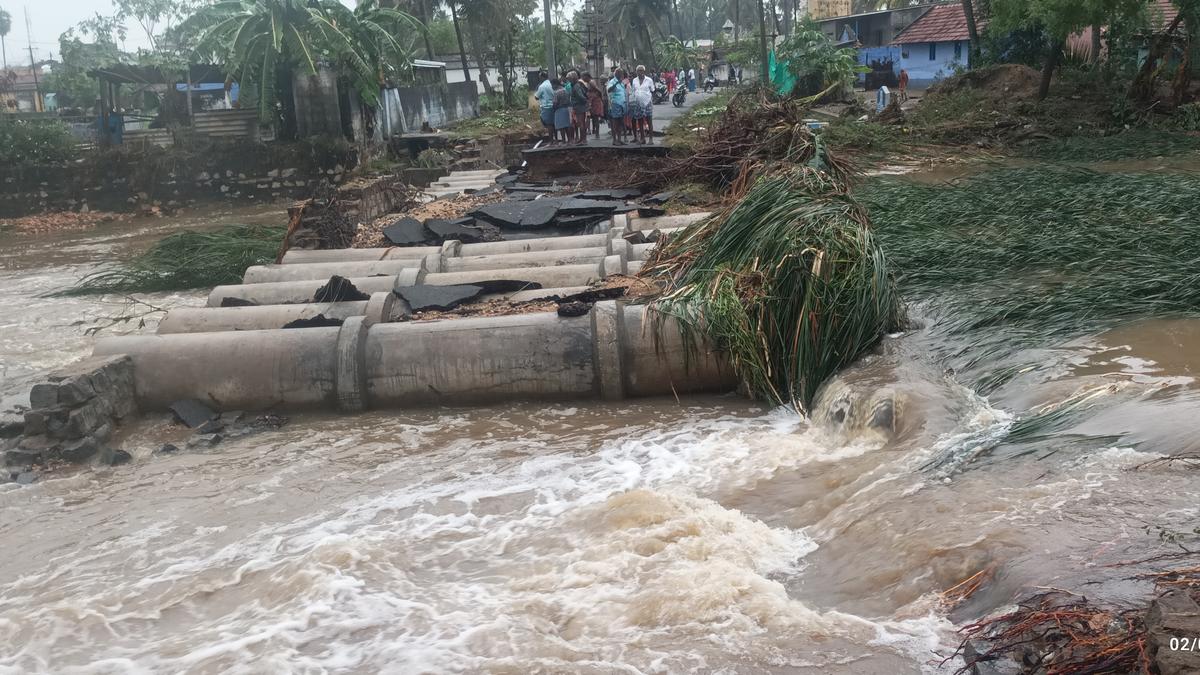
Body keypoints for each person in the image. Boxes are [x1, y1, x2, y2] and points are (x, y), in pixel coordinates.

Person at [630, 65, 655, 145]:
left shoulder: (649, 80)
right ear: (636, 72)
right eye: (638, 71)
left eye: (641, 70)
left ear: (644, 71)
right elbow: (633, 91)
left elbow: (652, 90)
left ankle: (651, 139)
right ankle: (642, 138)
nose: (639, 72)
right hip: (638, 103)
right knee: (640, 121)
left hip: (647, 102)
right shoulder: (634, 80)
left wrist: (650, 99)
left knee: (649, 120)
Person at [606, 68, 627, 146]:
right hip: (615, 104)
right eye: (620, 73)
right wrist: (616, 83)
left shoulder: (622, 82)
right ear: (616, 74)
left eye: (622, 73)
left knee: (621, 122)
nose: (621, 75)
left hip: (622, 104)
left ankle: (619, 139)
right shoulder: (612, 82)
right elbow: (609, 90)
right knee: (615, 123)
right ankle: (614, 140)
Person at [535, 70, 555, 143]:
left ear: (542, 77)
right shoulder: (551, 84)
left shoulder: (542, 86)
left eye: (540, 77)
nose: (539, 79)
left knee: (549, 124)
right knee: (553, 124)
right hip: (554, 105)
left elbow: (536, 97)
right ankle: (555, 139)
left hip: (546, 106)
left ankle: (551, 141)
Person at [569, 70, 589, 144]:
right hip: (580, 106)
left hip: (579, 107)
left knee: (581, 123)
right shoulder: (577, 85)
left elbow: (581, 96)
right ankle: (582, 139)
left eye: (570, 79)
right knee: (582, 123)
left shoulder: (576, 86)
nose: (569, 81)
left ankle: (583, 140)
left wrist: (584, 102)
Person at [551, 79, 571, 145]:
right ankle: (569, 140)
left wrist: (553, 109)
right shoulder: (565, 90)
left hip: (559, 110)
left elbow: (555, 103)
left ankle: (563, 140)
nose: (552, 86)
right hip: (566, 109)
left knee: (561, 126)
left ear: (555, 84)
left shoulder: (556, 92)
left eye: (552, 85)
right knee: (566, 125)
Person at [585, 72, 605, 139]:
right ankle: (595, 133)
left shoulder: (591, 82)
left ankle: (597, 134)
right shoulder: (589, 82)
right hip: (593, 101)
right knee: (594, 118)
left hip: (595, 102)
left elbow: (597, 90)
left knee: (596, 118)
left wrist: (599, 98)